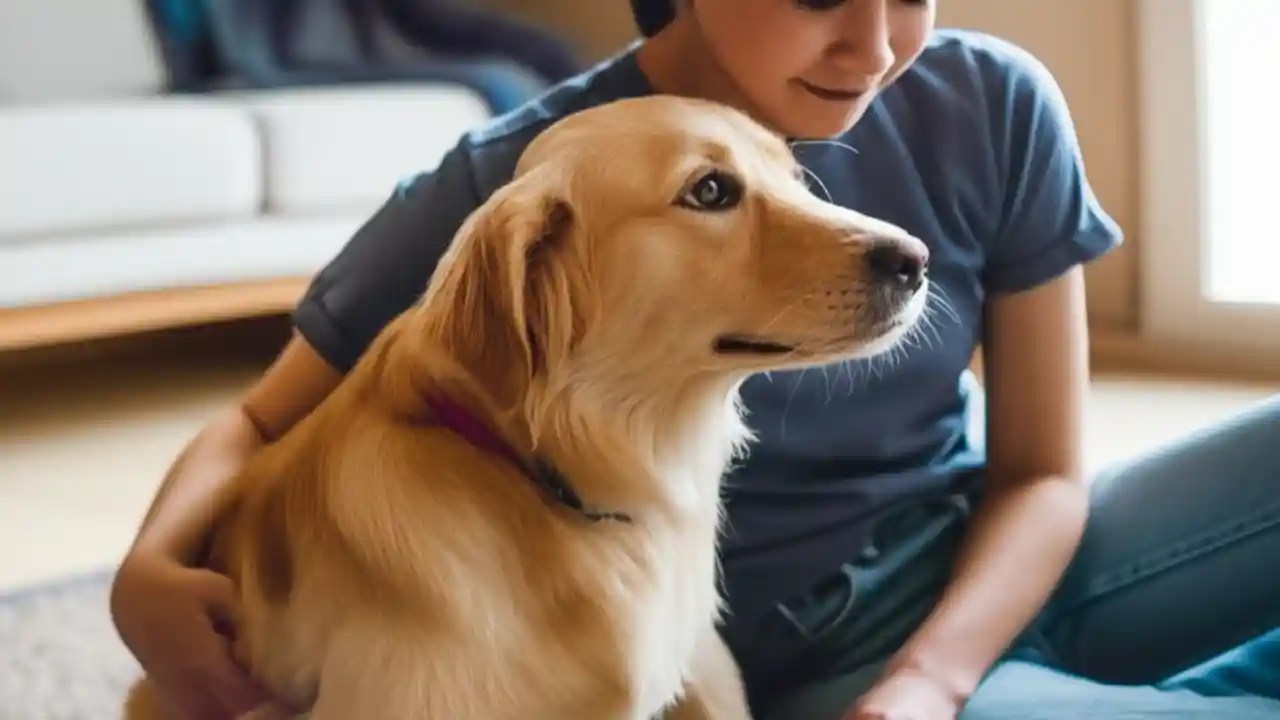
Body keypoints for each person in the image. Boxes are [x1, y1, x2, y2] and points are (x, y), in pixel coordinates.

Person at [109, 1, 1280, 718]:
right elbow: (262, 423)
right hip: (829, 662)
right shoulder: (522, 181)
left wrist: (943, 671)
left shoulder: (990, 100)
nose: (874, 44)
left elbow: (1041, 474)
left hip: (1008, 555)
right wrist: (147, 574)